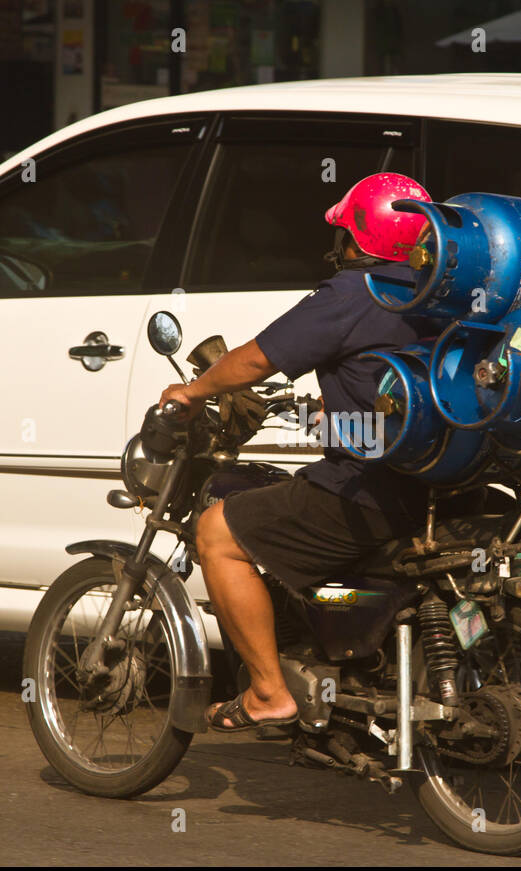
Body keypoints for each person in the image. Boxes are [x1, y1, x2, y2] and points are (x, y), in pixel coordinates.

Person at [158, 172, 437, 732]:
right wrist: (322, 412)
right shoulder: (447, 292)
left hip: (375, 489)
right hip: (446, 481)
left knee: (218, 533)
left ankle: (267, 693)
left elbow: (258, 359)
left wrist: (192, 390)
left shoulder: (355, 293)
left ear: (356, 238)